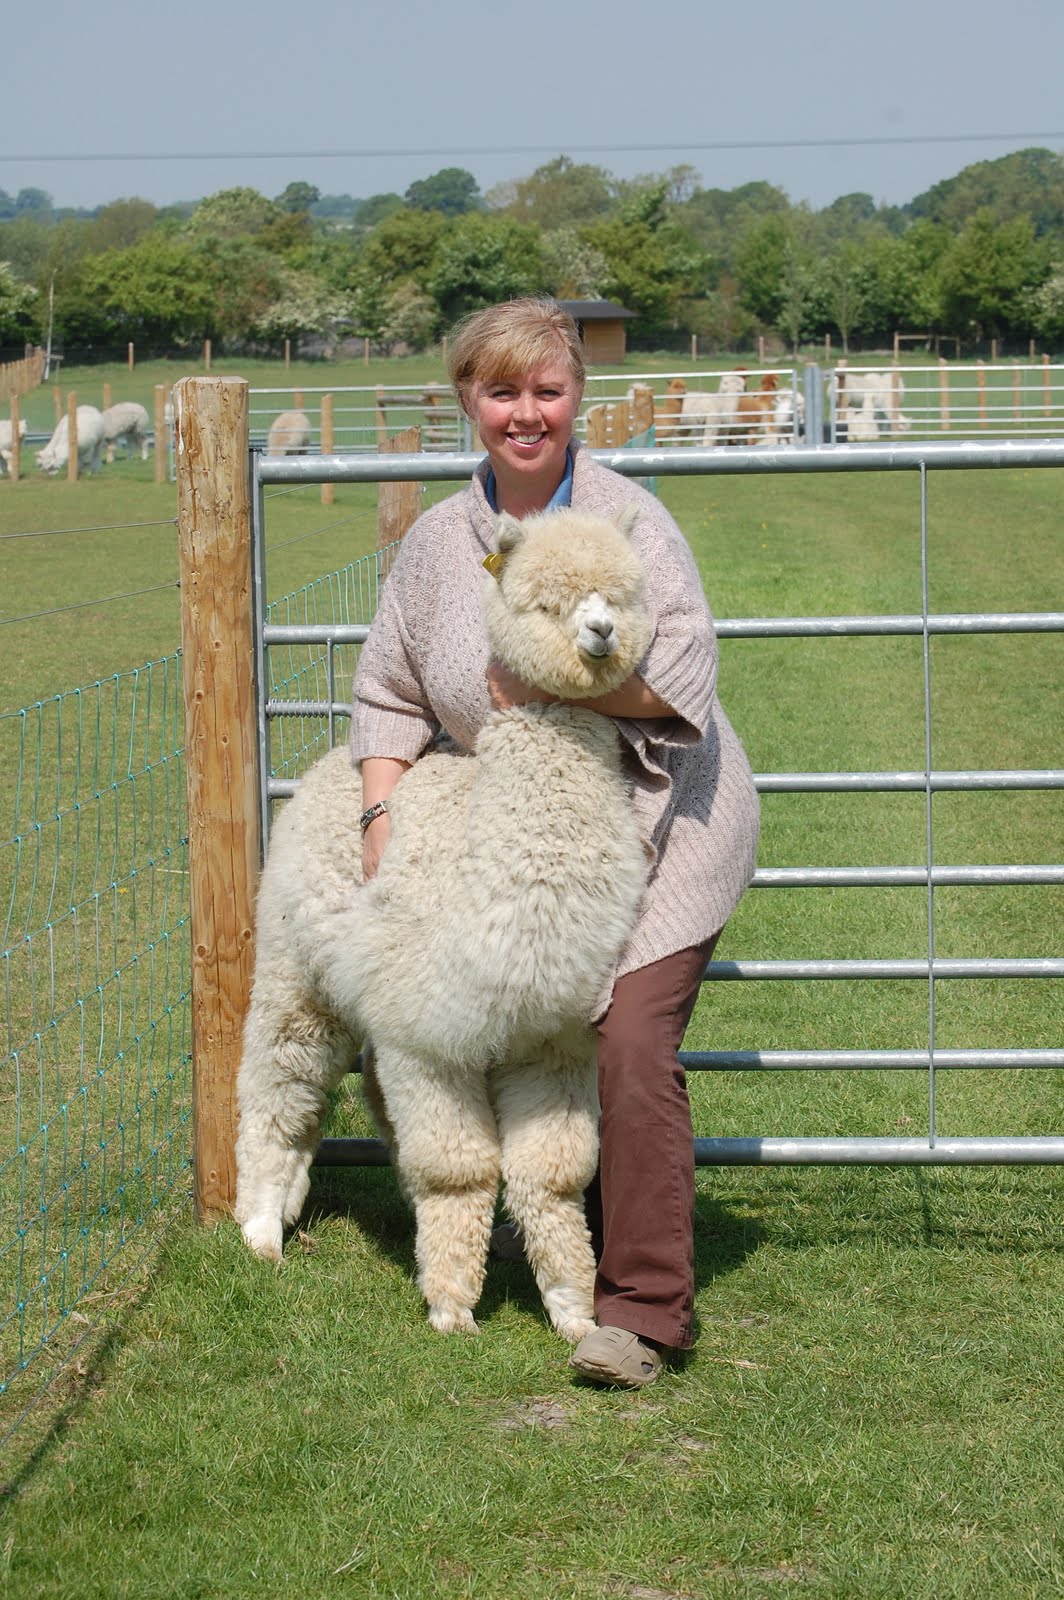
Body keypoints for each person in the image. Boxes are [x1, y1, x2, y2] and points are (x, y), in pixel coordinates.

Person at [350, 298, 760, 1388]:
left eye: (546, 391)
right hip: (524, 841)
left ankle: (638, 1309)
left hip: (666, 820)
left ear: (577, 397)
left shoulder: (631, 524)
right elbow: (387, 693)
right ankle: (490, 1223)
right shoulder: (440, 546)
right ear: (467, 402)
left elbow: (679, 682)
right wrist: (381, 816)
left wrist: (536, 672)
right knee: (433, 1001)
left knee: (624, 1038)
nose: (524, 414)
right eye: (500, 392)